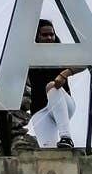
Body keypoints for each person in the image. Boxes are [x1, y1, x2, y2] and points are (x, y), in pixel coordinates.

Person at [14, 18, 85, 151]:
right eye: (45, 35)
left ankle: (66, 137)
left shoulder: (60, 52)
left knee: (52, 87)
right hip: (40, 110)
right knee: (48, 152)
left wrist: (65, 73)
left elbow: (85, 62)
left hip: (62, 104)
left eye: (51, 34)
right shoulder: (29, 56)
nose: (49, 37)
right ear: (37, 36)